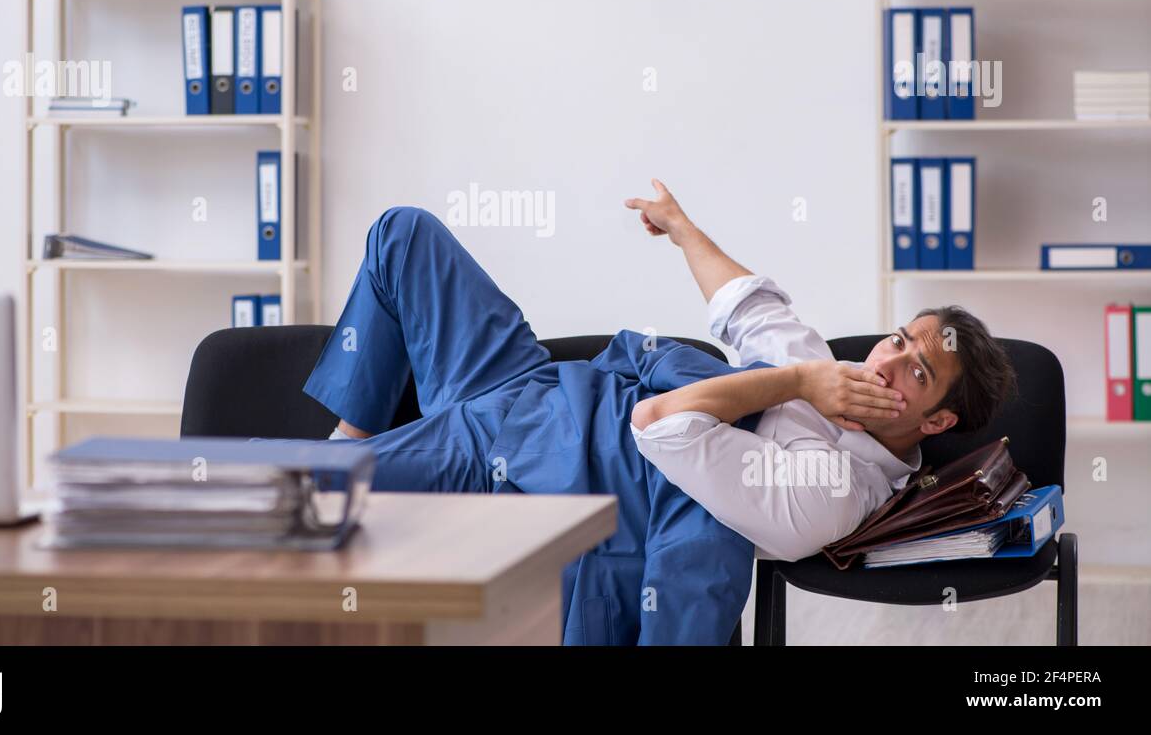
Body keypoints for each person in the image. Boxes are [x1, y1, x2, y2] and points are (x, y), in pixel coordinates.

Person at [303, 182, 1016, 645]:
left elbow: (662, 425)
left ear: (935, 422)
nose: (884, 362)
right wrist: (681, 227)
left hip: (535, 449)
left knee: (296, 498)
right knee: (404, 232)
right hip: (532, 381)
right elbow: (749, 305)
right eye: (897, 338)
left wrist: (798, 381)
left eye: (915, 372)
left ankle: (343, 467)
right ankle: (351, 436)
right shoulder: (828, 368)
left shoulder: (831, 492)